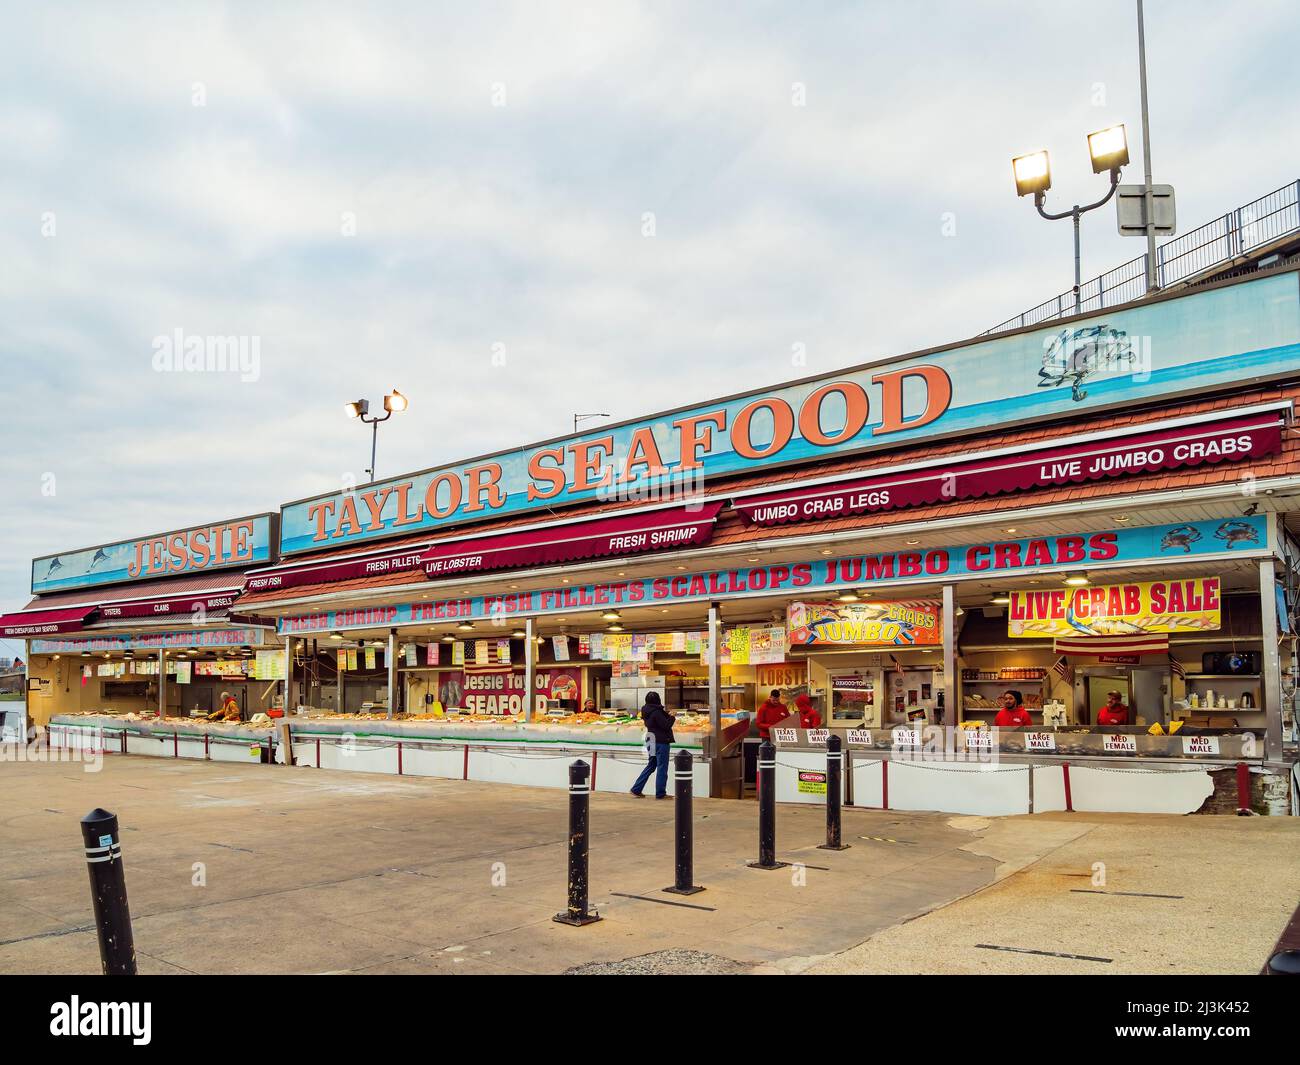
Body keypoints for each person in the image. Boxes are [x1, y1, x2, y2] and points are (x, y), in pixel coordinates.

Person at [630, 691, 675, 799]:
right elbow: (666, 725)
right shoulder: (657, 712)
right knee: (662, 767)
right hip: (660, 741)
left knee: (651, 765)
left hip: (650, 739)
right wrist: (672, 717)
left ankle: (636, 789)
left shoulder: (645, 710)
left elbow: (656, 723)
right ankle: (661, 793)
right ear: (658, 700)